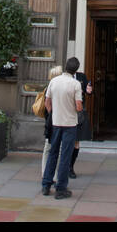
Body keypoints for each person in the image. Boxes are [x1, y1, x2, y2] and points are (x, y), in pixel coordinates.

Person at [41, 57, 83, 199]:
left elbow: (47, 102)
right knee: (65, 156)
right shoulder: (76, 84)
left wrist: (54, 113)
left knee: (53, 153)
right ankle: (61, 188)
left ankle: (46, 185)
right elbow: (78, 106)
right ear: (76, 70)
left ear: (65, 67)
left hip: (56, 122)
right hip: (70, 124)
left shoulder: (54, 81)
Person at [39, 65, 62, 183]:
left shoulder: (49, 87)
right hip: (54, 123)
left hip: (50, 122)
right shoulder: (54, 89)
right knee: (53, 150)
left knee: (48, 149)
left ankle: (45, 173)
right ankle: (52, 175)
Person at [69, 66, 93, 179]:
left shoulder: (81, 76)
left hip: (78, 114)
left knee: (76, 141)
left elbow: (87, 91)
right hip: (67, 112)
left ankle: (70, 167)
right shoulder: (64, 78)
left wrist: (89, 91)